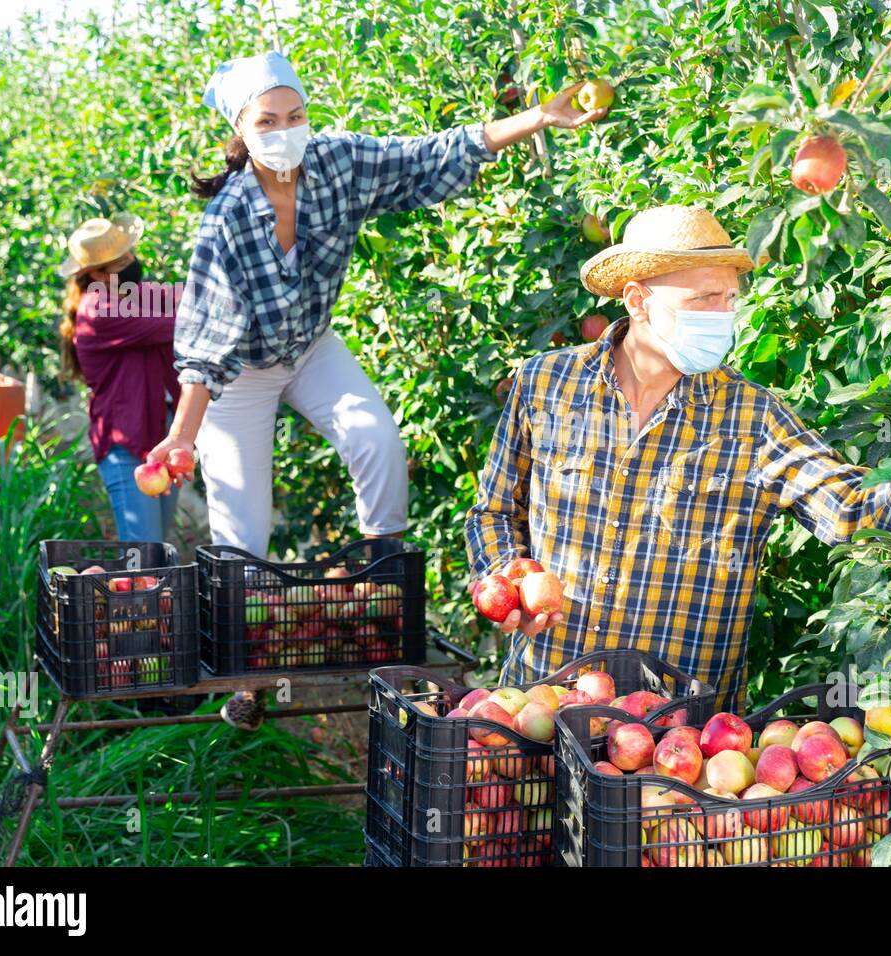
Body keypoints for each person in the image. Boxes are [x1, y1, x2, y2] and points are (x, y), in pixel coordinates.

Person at [148, 51, 604, 729]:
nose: (286, 129)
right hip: (239, 373)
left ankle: (379, 596)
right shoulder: (229, 218)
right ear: (241, 130)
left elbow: (431, 156)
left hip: (308, 348)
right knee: (242, 527)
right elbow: (208, 341)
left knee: (376, 438)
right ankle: (250, 675)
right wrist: (183, 435)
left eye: (295, 114)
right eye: (268, 120)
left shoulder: (338, 163)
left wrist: (537, 118)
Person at [464, 204, 891, 712]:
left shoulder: (752, 418)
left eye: (729, 298)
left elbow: (850, 514)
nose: (722, 315)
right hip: (541, 699)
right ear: (639, 301)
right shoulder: (547, 384)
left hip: (679, 731)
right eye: (704, 297)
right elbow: (494, 512)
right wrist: (511, 584)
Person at [59, 213, 181, 542]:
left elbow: (184, 300)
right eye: (118, 263)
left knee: (157, 550)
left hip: (162, 437)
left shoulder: (133, 297)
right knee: (146, 555)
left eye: (129, 255)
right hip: (127, 443)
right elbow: (179, 321)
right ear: (95, 274)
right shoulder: (99, 310)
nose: (130, 264)